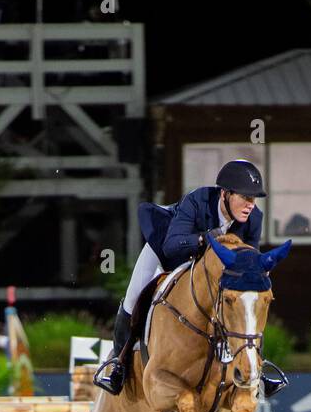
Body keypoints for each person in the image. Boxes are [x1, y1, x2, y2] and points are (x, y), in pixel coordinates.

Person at [93, 159, 266, 396]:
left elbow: (248, 264)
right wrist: (204, 238)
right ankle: (118, 366)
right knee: (133, 298)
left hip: (206, 269)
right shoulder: (197, 201)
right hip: (165, 249)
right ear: (225, 194)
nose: (250, 205)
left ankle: (257, 367)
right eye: (245, 198)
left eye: (253, 199)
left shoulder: (254, 219)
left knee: (249, 301)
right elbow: (171, 246)